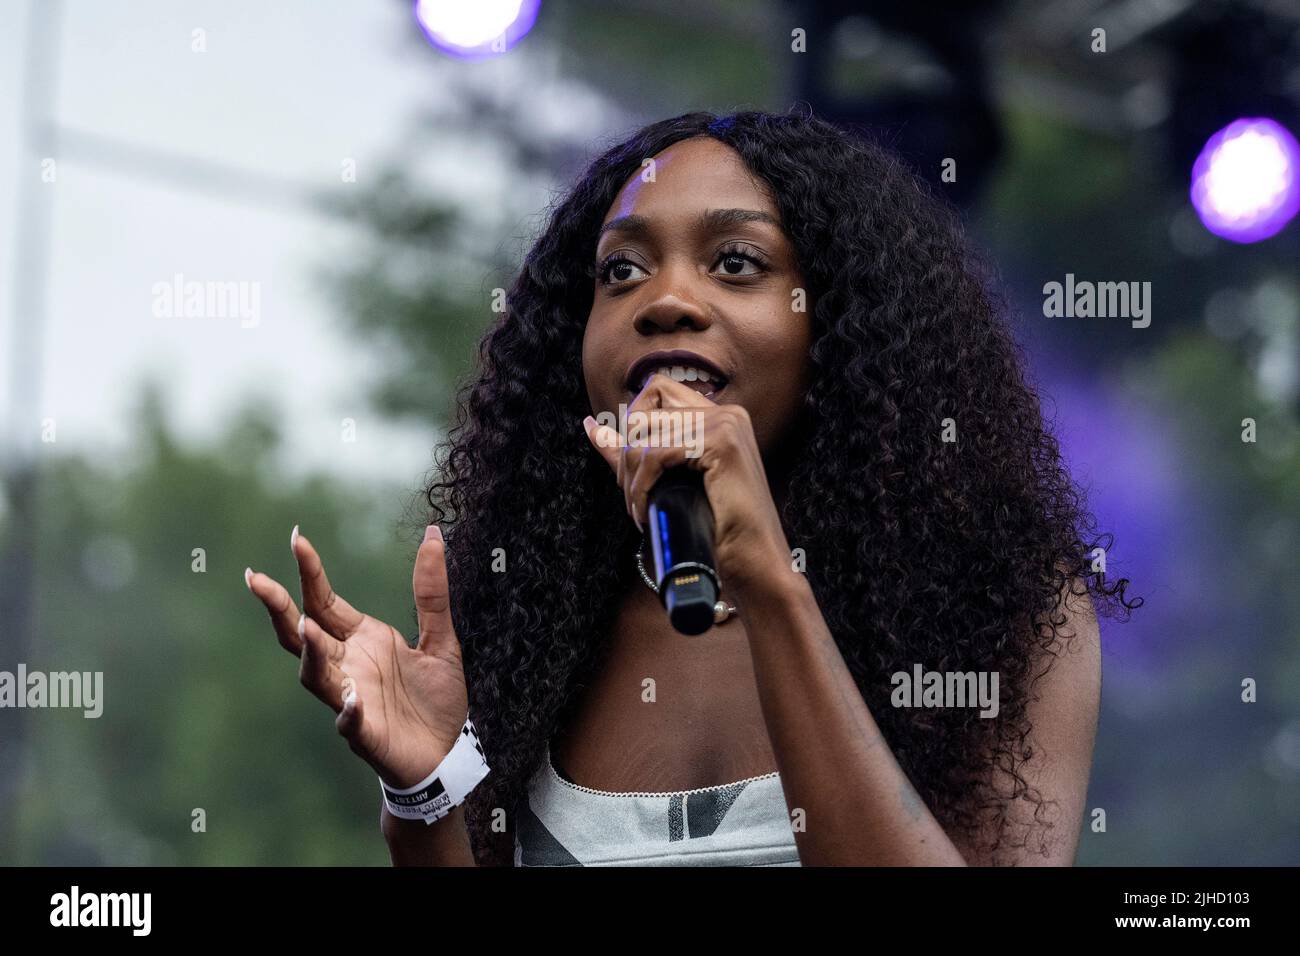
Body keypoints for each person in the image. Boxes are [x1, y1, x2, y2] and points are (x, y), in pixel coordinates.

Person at [244, 108, 1138, 867]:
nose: (663, 299)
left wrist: (770, 586)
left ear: (843, 321)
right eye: (621, 271)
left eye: (738, 263)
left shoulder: (997, 603)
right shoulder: (530, 617)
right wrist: (426, 794)